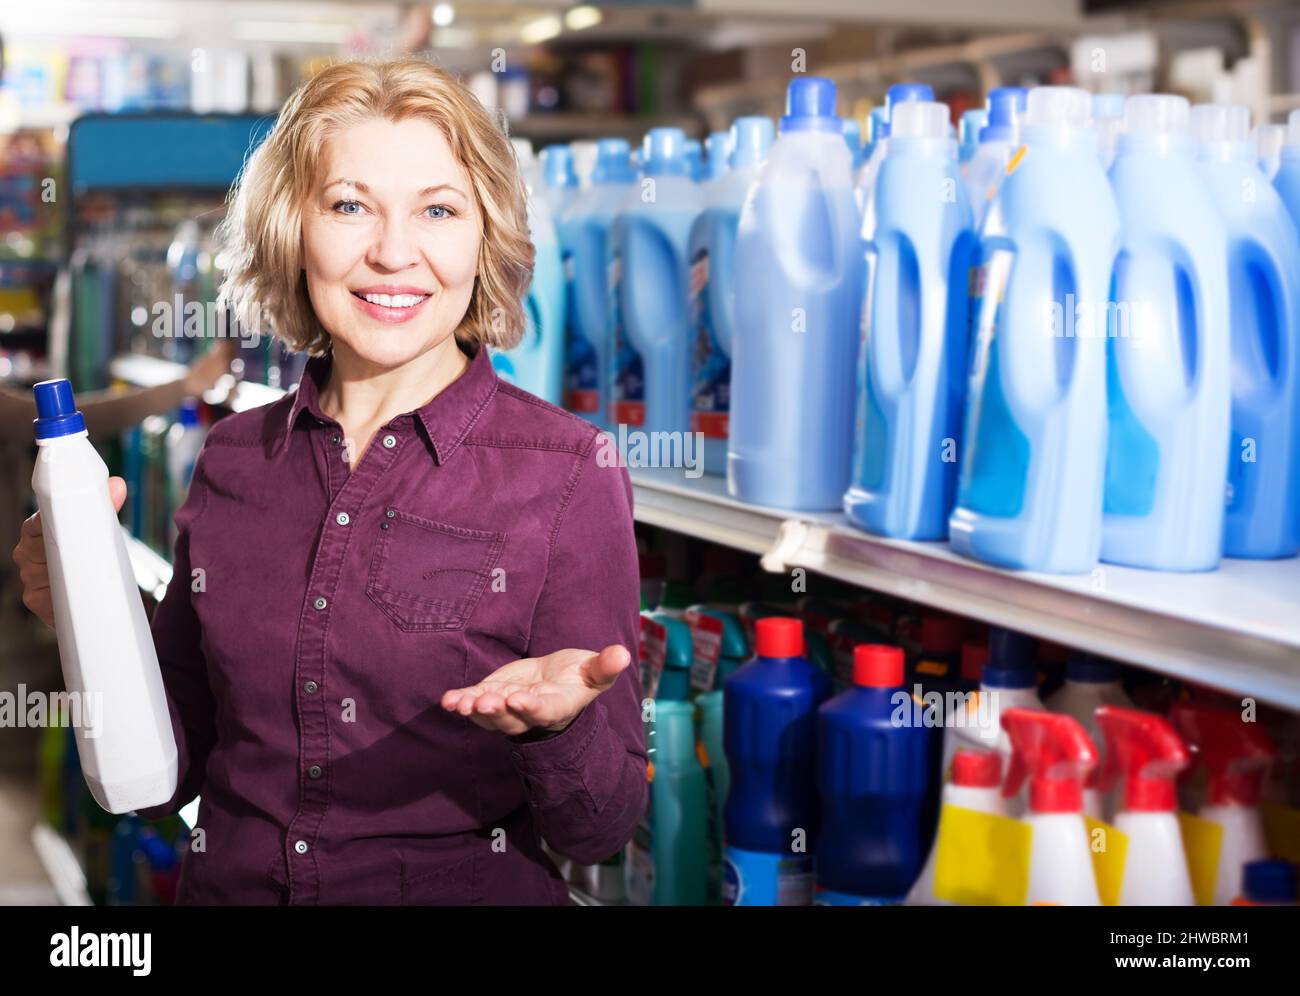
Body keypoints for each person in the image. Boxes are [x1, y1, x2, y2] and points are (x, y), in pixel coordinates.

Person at [12, 59, 647, 905]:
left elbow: (598, 831)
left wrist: (561, 727)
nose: (392, 252)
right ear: (292, 229)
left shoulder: (567, 473)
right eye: (350, 205)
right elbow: (160, 777)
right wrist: (88, 619)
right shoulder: (233, 460)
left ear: (485, 234)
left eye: (438, 209)